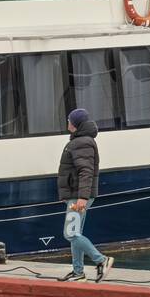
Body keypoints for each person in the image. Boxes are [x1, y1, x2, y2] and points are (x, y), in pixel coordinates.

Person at [57, 108, 114, 282]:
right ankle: (78, 272)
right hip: (76, 194)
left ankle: (101, 260)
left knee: (70, 234)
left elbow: (86, 171)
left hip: (78, 196)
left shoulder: (82, 142)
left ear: (75, 123)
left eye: (69, 120)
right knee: (75, 234)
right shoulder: (80, 140)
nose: (67, 122)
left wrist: (82, 197)